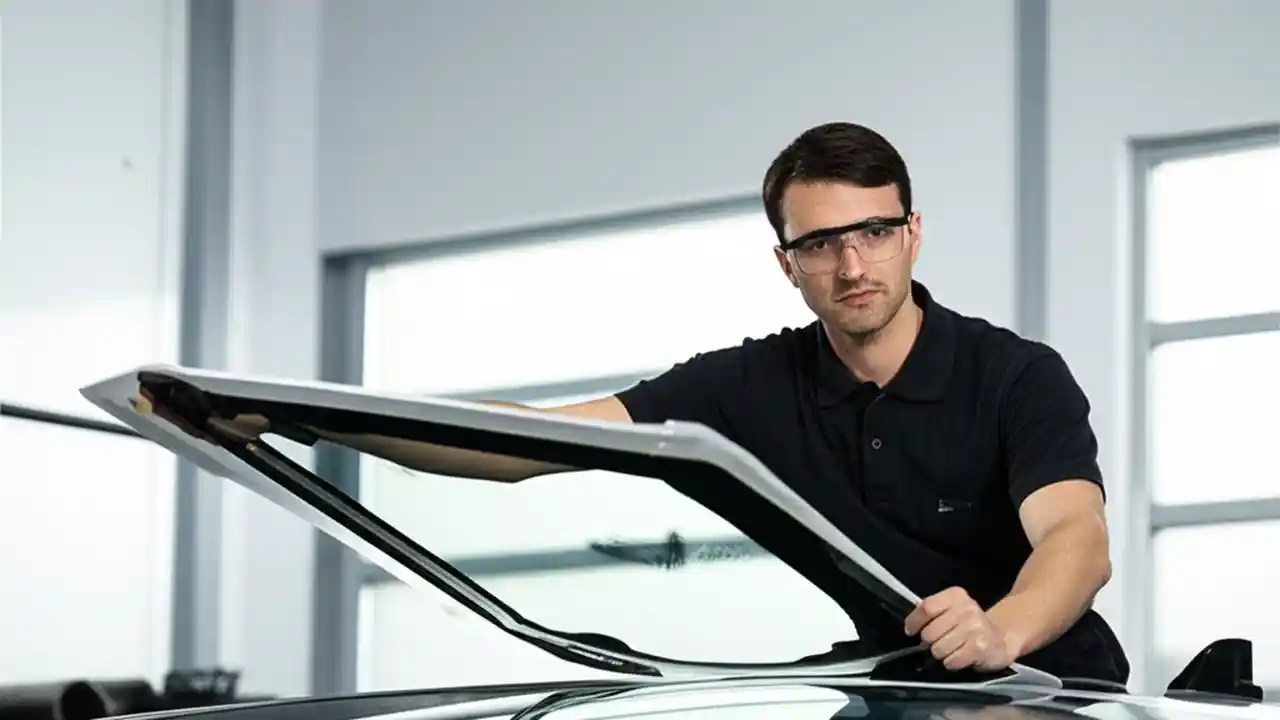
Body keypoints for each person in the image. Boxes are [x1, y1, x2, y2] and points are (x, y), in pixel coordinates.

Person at [219, 122, 1129, 684]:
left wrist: (1000, 628)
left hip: (1052, 690)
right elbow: (528, 444)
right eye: (820, 244)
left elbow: (1076, 542)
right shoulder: (745, 386)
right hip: (887, 690)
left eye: (875, 232)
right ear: (786, 263)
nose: (853, 266)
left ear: (912, 233)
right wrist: (306, 418)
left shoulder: (1015, 375)